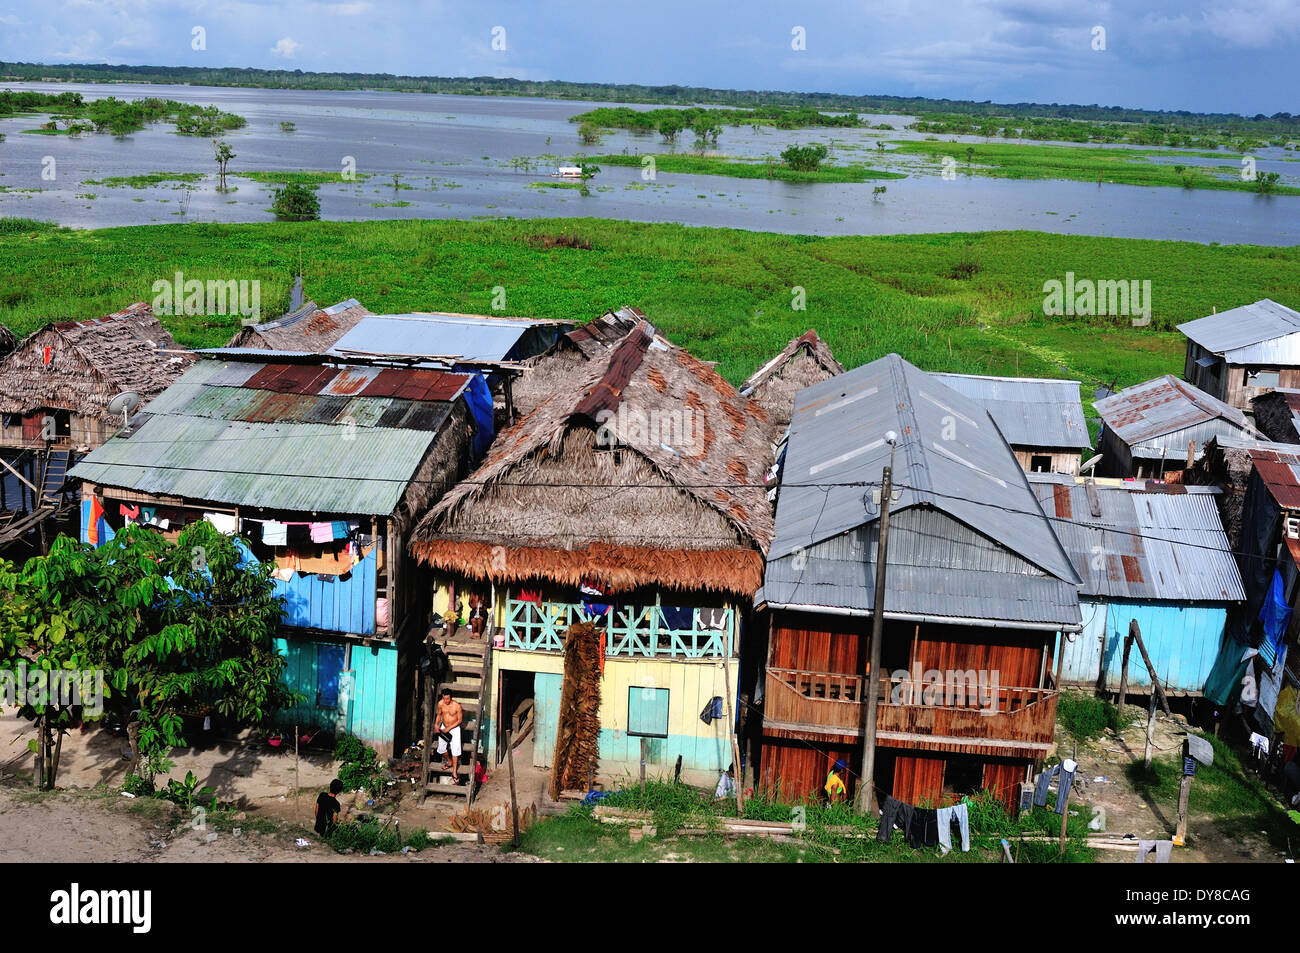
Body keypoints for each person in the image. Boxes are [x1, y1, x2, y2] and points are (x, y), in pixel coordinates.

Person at [436, 687, 464, 778]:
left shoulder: (457, 706)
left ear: (450, 698)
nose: (446, 700)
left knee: (455, 750)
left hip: (454, 728)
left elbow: (459, 720)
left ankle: (454, 772)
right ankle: (449, 761)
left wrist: (449, 728)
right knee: (441, 748)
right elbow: (439, 714)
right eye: (444, 698)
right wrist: (436, 724)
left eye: (447, 699)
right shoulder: (440, 703)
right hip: (444, 726)